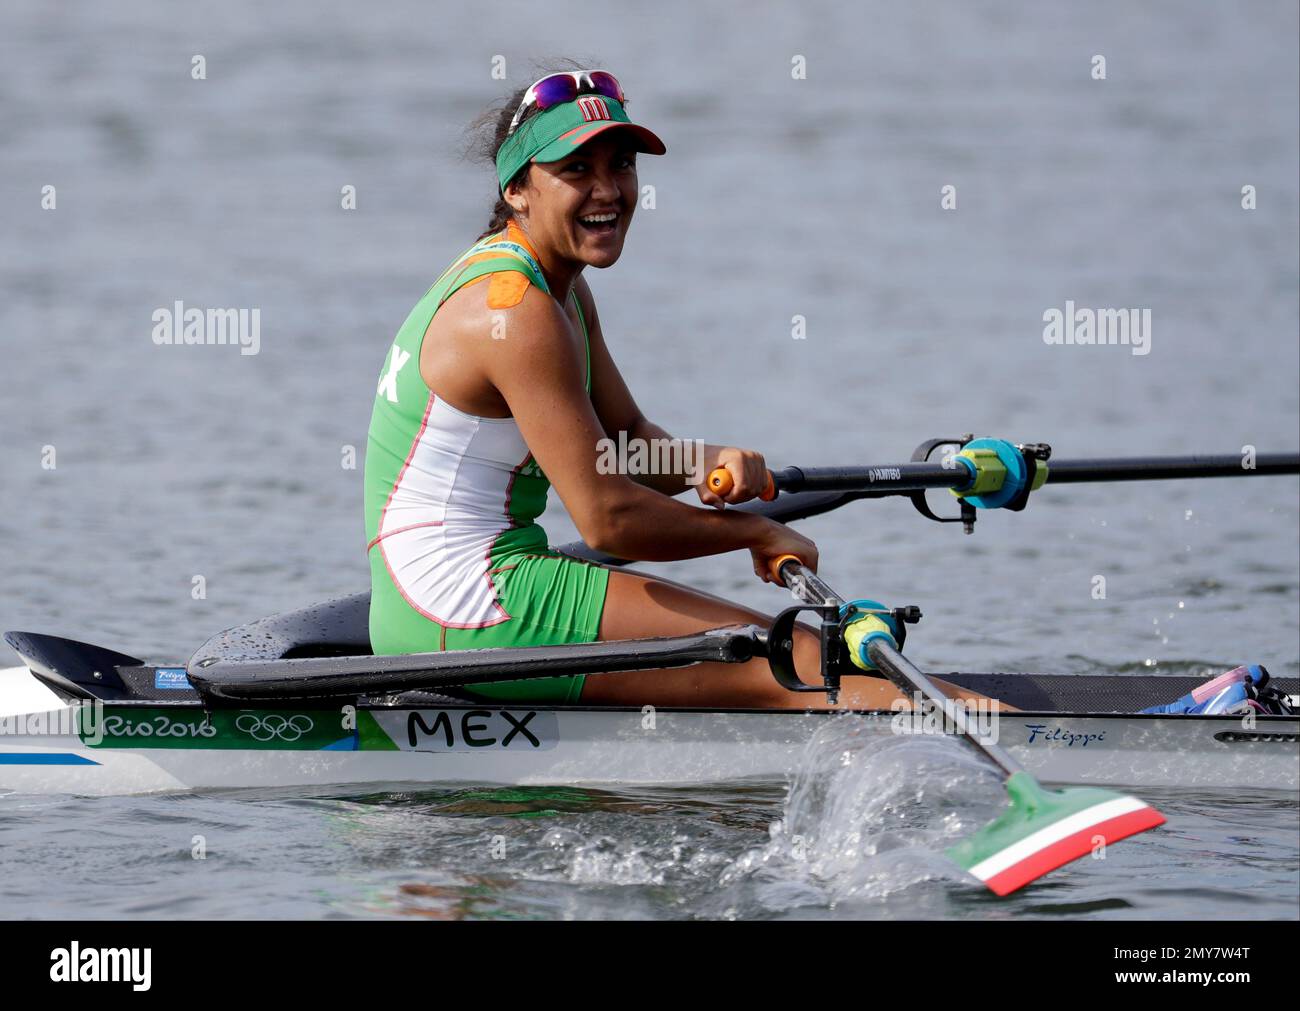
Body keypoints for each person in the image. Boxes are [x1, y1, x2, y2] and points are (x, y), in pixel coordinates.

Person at [364, 68, 992, 710]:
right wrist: (754, 534)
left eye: (622, 165)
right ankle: (1033, 747)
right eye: (577, 170)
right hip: (463, 602)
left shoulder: (558, 289)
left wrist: (702, 463)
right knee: (803, 665)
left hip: (441, 598)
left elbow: (628, 445)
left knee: (803, 659)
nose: (608, 190)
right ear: (517, 189)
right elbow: (610, 520)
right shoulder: (516, 313)